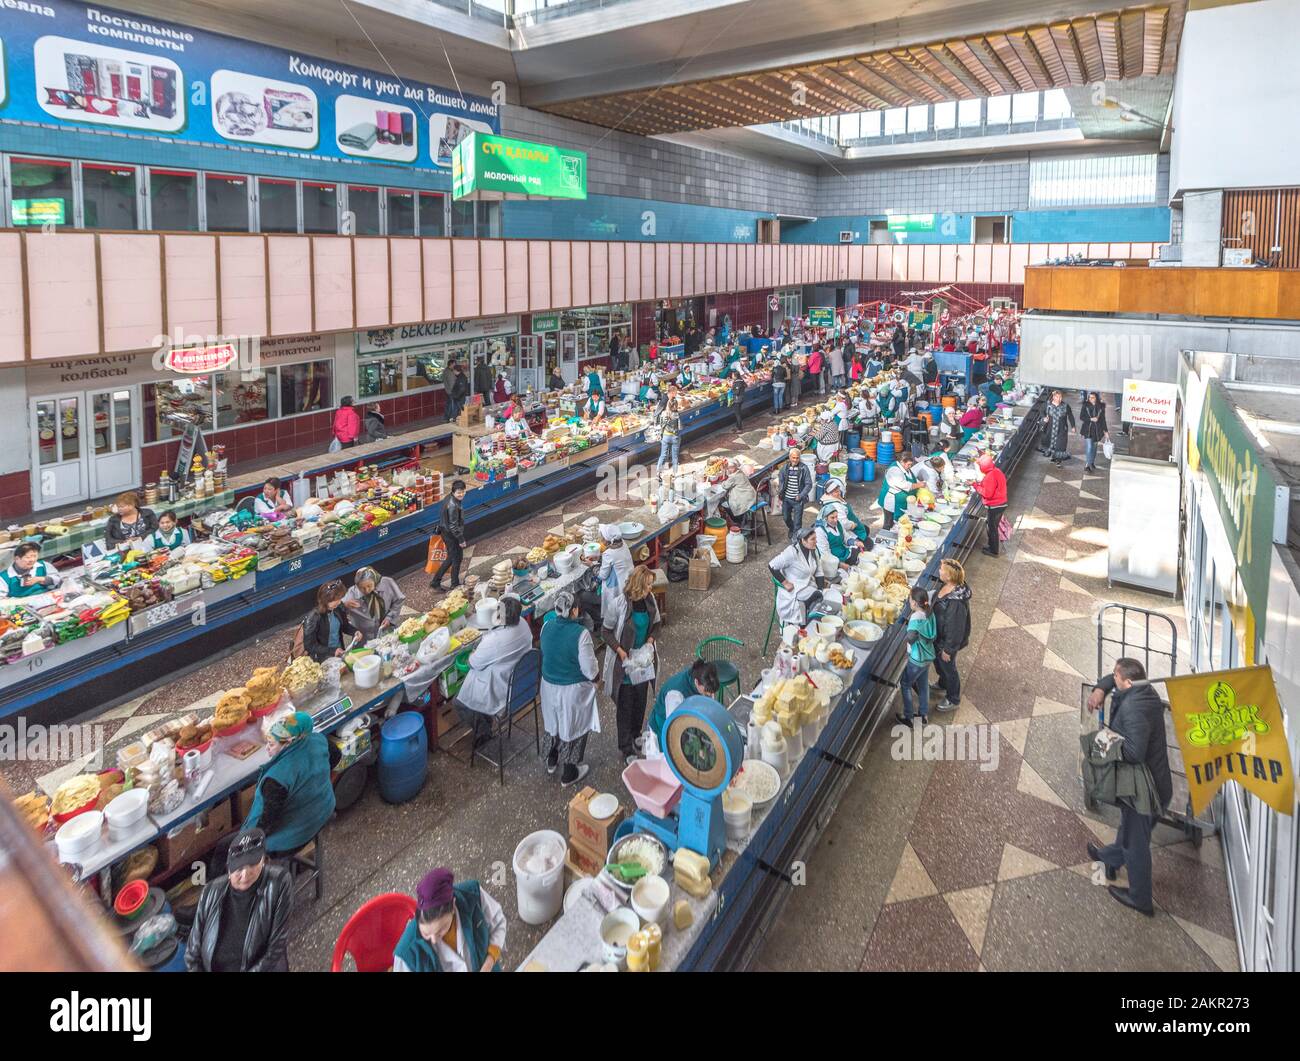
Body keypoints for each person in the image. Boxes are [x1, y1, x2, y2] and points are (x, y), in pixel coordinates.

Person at [1085, 658, 1173, 916]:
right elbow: (1112, 678)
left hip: (1146, 791)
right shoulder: (1142, 690)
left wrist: (1104, 741)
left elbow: (1134, 752)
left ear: (1129, 682)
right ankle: (1110, 858)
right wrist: (1101, 688)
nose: (1113, 679)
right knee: (1130, 829)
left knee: (1136, 843)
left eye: (1116, 678)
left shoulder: (1135, 708)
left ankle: (1140, 898)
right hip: (1145, 786)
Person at [186, 828, 292, 972]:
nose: (245, 874)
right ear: (228, 870)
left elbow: (275, 949)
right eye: (238, 869)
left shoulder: (278, 883)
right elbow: (192, 954)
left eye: (252, 864)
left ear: (263, 860)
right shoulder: (210, 892)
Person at [242, 711, 336, 856]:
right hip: (323, 810)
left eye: (272, 744)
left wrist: (247, 845)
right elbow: (336, 756)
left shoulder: (277, 778)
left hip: (294, 838)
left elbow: (267, 823)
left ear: (289, 743)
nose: (267, 748)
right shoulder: (318, 740)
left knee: (227, 847)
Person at [453, 595, 533, 747]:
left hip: (503, 688)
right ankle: (484, 721)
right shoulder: (523, 624)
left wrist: (472, 654)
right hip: (523, 683)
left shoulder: (494, 640)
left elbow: (473, 663)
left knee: (459, 701)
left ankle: (483, 731)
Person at [393, 867, 507, 973]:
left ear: (453, 906)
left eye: (441, 930)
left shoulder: (473, 895)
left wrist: (489, 962)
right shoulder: (405, 954)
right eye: (426, 934)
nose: (433, 940)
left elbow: (498, 924)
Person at [602, 566, 662, 763]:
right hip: (625, 665)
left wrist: (651, 641)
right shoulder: (618, 605)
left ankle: (636, 734)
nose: (650, 589)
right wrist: (620, 650)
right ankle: (626, 748)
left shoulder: (649, 601)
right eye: (648, 585)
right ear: (638, 587)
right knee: (625, 706)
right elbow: (606, 632)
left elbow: (656, 625)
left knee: (640, 701)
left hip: (642, 662)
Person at [539, 591, 600, 786]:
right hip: (571, 690)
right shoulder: (581, 635)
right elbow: (589, 669)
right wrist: (597, 680)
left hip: (548, 686)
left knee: (553, 723)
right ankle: (569, 773)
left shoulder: (546, 627)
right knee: (574, 726)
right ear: (574, 611)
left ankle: (552, 760)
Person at [648, 659, 719, 750]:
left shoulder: (697, 675)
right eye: (706, 692)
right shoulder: (675, 694)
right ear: (696, 682)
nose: (709, 696)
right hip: (664, 723)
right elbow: (673, 726)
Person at [930, 559, 971, 712]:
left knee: (948, 668)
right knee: (939, 664)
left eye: (942, 570)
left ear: (949, 576)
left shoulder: (956, 603)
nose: (939, 571)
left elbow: (956, 629)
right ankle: (942, 683)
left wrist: (949, 649)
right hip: (938, 636)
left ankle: (953, 698)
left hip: (946, 642)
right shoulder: (948, 586)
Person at [896, 588, 935, 726]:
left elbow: (911, 636)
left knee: (905, 683)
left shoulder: (915, 617)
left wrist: (909, 643)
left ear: (913, 603)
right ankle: (923, 715)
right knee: (923, 684)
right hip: (928, 655)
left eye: (909, 599)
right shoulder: (929, 612)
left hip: (917, 658)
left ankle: (908, 717)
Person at [769, 525, 822, 626]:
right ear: (803, 540)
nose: (816, 541)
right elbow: (772, 565)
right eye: (813, 539)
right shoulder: (791, 553)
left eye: (816, 538)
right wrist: (785, 583)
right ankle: (803, 624)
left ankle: (808, 621)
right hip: (793, 589)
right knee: (816, 597)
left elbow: (819, 571)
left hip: (807, 585)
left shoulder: (813, 550)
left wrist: (820, 588)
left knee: (820, 595)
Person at [342, 565, 406, 642]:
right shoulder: (351, 593)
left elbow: (399, 600)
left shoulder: (387, 583)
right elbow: (336, 610)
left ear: (374, 581)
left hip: (387, 631)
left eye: (369, 586)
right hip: (364, 638)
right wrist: (344, 606)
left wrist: (389, 617)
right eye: (362, 588)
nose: (366, 590)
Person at [301, 579, 360, 661]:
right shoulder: (313, 617)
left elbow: (345, 626)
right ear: (325, 600)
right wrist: (332, 651)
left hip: (339, 652)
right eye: (336, 600)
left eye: (340, 599)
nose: (339, 602)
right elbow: (310, 646)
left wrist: (355, 631)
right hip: (322, 658)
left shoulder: (338, 607)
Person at [430, 479, 467, 590]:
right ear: (453, 492)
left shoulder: (450, 498)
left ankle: (436, 581)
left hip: (446, 532)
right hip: (451, 535)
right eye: (459, 492)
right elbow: (453, 526)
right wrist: (461, 539)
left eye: (463, 491)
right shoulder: (453, 505)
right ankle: (454, 584)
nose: (461, 494)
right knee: (456, 558)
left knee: (453, 557)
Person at [597, 524, 635, 623]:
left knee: (586, 596)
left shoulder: (608, 554)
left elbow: (602, 575)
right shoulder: (624, 544)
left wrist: (591, 566)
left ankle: (605, 623)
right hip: (630, 581)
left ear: (607, 540)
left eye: (602, 537)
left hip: (619, 589)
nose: (601, 539)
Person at [972, 452, 1008, 557]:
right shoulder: (996, 471)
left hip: (995, 506)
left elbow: (987, 494)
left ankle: (993, 550)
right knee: (992, 526)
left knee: (992, 528)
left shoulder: (990, 476)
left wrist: (975, 485)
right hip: (1001, 503)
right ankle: (992, 547)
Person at [776, 447, 812, 540]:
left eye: (797, 458)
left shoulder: (804, 468)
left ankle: (796, 539)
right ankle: (792, 528)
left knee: (798, 522)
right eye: (793, 457)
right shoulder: (785, 468)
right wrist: (780, 491)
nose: (795, 460)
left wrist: (800, 495)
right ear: (790, 457)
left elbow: (809, 484)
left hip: (798, 500)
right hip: (787, 499)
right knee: (786, 517)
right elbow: (781, 480)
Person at [878, 452, 919, 531]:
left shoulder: (906, 468)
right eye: (908, 464)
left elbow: (912, 478)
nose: (910, 466)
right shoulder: (894, 470)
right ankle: (884, 539)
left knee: (899, 524)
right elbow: (903, 485)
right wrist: (919, 485)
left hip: (901, 501)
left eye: (911, 464)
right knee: (888, 523)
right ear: (902, 462)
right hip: (892, 501)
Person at [814, 503, 860, 572]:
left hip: (843, 552)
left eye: (836, 517)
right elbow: (825, 554)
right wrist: (840, 564)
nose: (835, 520)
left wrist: (855, 542)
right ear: (825, 518)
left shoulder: (838, 524)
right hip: (831, 559)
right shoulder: (820, 531)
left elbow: (846, 537)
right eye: (832, 517)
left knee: (860, 550)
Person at [719, 460, 757, 529]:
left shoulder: (734, 477)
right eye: (728, 468)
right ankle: (742, 519)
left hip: (746, 500)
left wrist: (722, 480)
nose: (729, 469)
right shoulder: (740, 472)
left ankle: (738, 521)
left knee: (723, 502)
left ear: (735, 467)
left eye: (730, 467)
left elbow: (725, 485)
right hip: (752, 497)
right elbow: (730, 475)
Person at [1042, 389, 1075, 465]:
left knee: (1060, 444)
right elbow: (1041, 411)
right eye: (1057, 397)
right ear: (1053, 397)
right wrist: (1044, 417)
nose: (1059, 399)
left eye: (1060, 397)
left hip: (1062, 429)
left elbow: (1070, 416)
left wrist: (1073, 426)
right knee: (1051, 443)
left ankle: (1058, 460)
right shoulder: (1048, 405)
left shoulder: (1065, 406)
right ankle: (1054, 456)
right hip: (1050, 429)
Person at [1079, 391, 1110, 473]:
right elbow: (1081, 417)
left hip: (1097, 430)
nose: (1090, 399)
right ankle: (1087, 464)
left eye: (1093, 397)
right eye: (1089, 397)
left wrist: (1106, 432)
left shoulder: (1101, 407)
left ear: (1096, 398)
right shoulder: (1085, 405)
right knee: (1089, 447)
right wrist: (1091, 419)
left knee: (1094, 448)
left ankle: (1091, 462)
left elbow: (1103, 420)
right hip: (1087, 430)